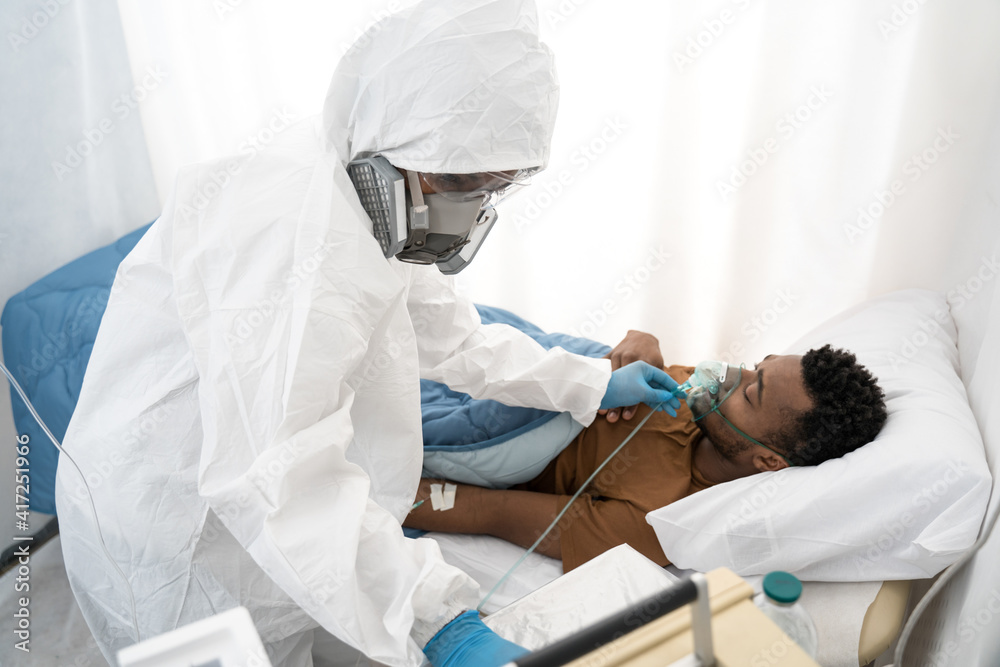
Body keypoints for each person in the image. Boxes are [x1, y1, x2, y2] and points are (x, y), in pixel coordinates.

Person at [52, 1, 681, 666]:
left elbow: (451, 336)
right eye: (459, 182)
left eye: (490, 189)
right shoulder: (292, 238)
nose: (467, 211)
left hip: (268, 509)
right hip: (179, 527)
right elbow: (285, 473)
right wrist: (441, 621)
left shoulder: (372, 193)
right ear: (399, 139)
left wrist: (590, 381)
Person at [404, 340, 888, 571]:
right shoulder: (694, 403)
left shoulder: (655, 519)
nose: (727, 374)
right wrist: (636, 346)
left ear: (768, 461)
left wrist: (384, 493)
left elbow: (483, 510)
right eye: (753, 365)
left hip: (485, 426)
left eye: (749, 391)